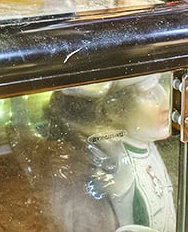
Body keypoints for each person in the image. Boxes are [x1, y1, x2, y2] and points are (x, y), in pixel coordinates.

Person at [43, 73, 176, 232]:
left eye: (162, 85)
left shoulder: (147, 147)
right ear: (113, 111)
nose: (165, 100)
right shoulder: (111, 163)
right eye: (148, 92)